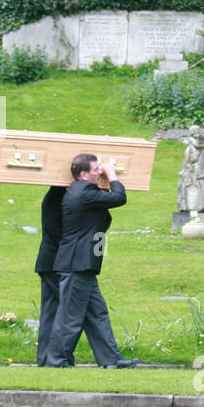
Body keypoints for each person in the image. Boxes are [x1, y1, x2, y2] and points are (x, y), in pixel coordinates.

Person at [43, 154, 140, 368]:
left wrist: (104, 181)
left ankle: (111, 359)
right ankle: (56, 360)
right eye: (96, 169)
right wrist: (113, 176)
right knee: (70, 316)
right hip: (77, 264)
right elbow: (119, 198)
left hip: (84, 264)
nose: (101, 171)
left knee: (97, 313)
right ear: (83, 174)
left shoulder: (85, 192)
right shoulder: (83, 192)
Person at [34, 185, 66, 366]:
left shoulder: (54, 196)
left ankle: (46, 358)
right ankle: (55, 358)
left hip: (48, 261)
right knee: (67, 310)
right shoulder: (60, 196)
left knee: (50, 312)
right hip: (56, 263)